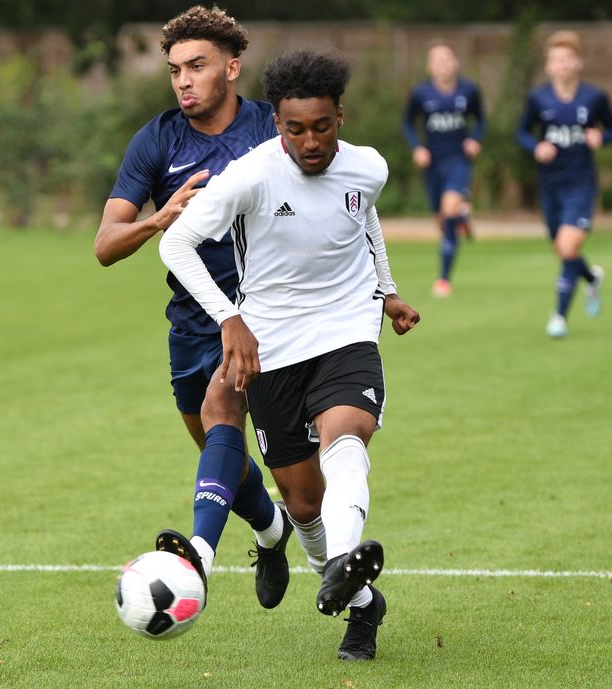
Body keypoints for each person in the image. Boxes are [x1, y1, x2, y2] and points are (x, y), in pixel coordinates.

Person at [161, 49, 420, 661]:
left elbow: (365, 218)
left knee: (346, 441)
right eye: (294, 129)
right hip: (273, 346)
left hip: (347, 333)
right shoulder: (249, 176)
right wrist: (231, 318)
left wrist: (385, 290)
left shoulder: (369, 167)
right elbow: (177, 242)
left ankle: (345, 563)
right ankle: (361, 601)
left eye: (322, 127)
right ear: (276, 122)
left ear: (340, 117)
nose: (310, 142)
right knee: (304, 506)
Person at [93, 6, 292, 609]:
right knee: (218, 448)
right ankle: (272, 530)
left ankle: (196, 561)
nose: (182, 80)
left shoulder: (271, 130)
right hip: (191, 323)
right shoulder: (157, 139)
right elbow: (105, 246)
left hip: (265, 315)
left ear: (231, 69)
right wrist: (159, 219)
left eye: (197, 66)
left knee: (221, 409)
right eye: (175, 69)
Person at [516, 31, 612, 338]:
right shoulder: (539, 99)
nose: (562, 64)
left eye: (567, 59)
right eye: (556, 59)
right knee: (564, 252)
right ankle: (590, 277)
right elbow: (522, 132)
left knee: (568, 245)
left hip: (581, 183)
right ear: (548, 66)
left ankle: (559, 316)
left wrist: (602, 137)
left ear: (578, 63)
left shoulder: (594, 97)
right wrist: (536, 146)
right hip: (550, 185)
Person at [402, 40, 486, 297]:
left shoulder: (469, 91)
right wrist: (417, 147)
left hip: (458, 161)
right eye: (437, 60)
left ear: (456, 63)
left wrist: (475, 139)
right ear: (429, 67)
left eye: (447, 59)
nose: (443, 65)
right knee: (443, 221)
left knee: (448, 212)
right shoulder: (420, 94)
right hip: (433, 164)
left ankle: (443, 279)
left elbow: (481, 119)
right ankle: (462, 216)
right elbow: (407, 122)